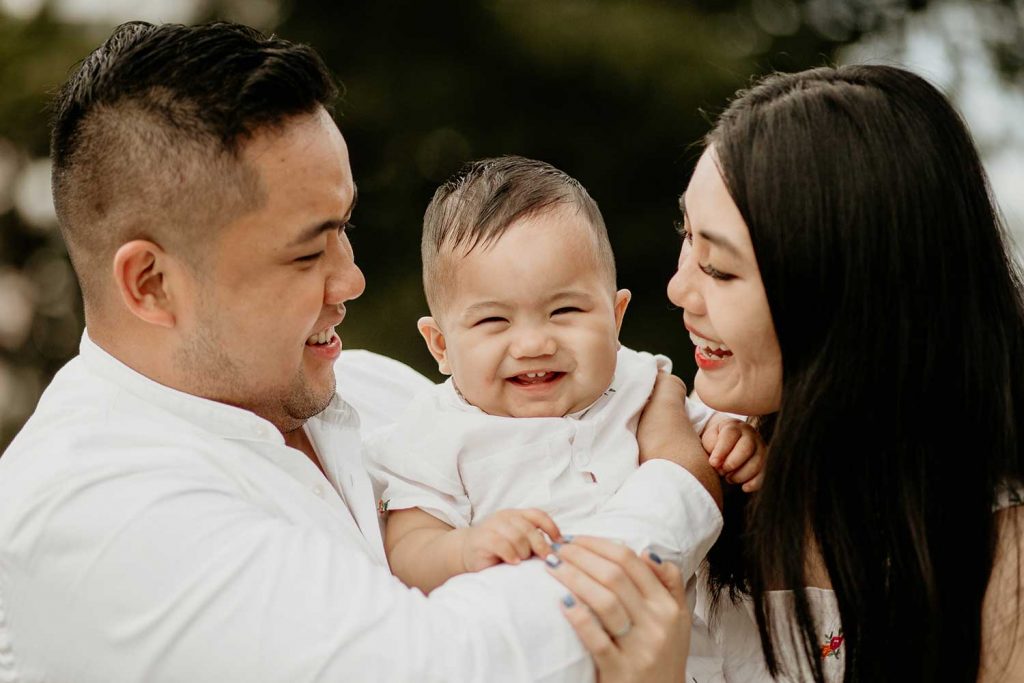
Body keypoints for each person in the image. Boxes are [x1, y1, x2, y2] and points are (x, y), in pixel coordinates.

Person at [0, 21, 723, 682]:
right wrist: (678, 489)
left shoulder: (368, 388)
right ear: (152, 283)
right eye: (308, 251)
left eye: (345, 227)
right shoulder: (94, 512)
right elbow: (447, 667)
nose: (351, 277)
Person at [640, 64, 1024, 682]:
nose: (678, 287)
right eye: (688, 238)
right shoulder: (677, 465)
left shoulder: (996, 556)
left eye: (720, 269)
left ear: (846, 298)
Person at [364, 156, 765, 594]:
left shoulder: (641, 383)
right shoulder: (434, 432)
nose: (534, 344)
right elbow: (407, 549)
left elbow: (702, 439)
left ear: (615, 317)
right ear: (440, 345)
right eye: (494, 321)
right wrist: (464, 549)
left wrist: (730, 440)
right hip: (530, 639)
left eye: (565, 311)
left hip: (678, 655)